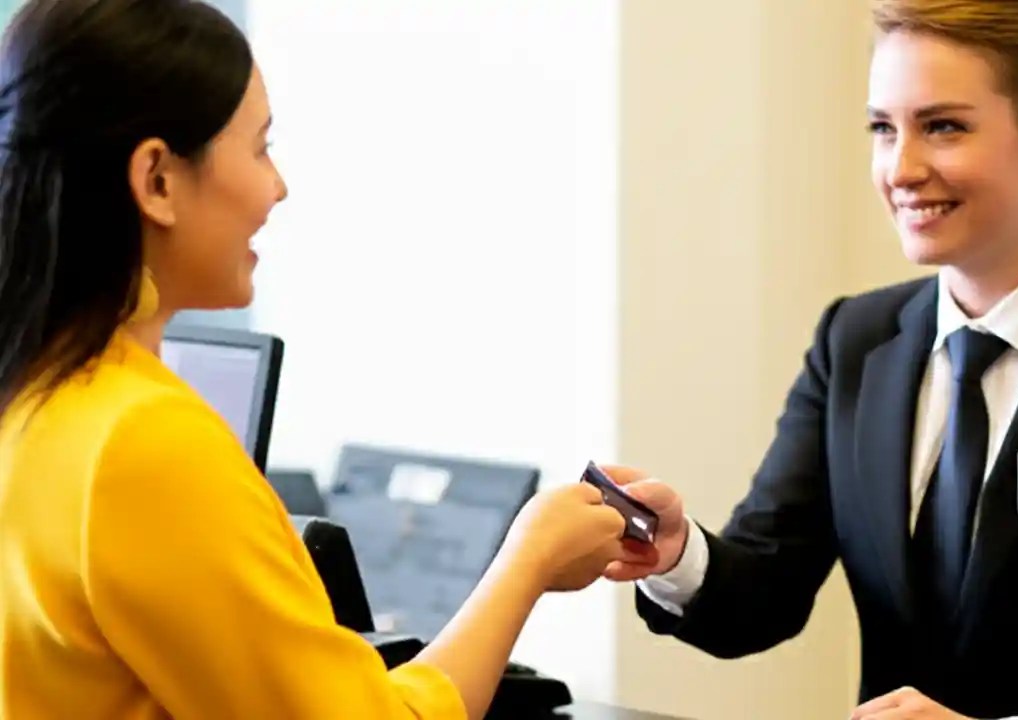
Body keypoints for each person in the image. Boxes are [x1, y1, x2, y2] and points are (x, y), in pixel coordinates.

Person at [603, 1, 1018, 718]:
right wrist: (675, 553)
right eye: (882, 128)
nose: (901, 168)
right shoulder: (853, 341)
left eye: (944, 127)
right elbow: (762, 594)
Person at [0, 1, 639, 718]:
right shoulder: (143, 443)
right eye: (260, 148)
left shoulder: (35, 398)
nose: (277, 187)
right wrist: (532, 561)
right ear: (157, 180)